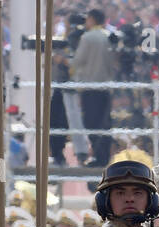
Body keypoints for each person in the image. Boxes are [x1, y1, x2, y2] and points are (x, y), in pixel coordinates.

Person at [70, 8, 114, 167]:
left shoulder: (87, 38)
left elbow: (78, 61)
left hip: (90, 87)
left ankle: (97, 156)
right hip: (106, 87)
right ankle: (103, 157)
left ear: (92, 19)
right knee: (104, 123)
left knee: (91, 123)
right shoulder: (109, 37)